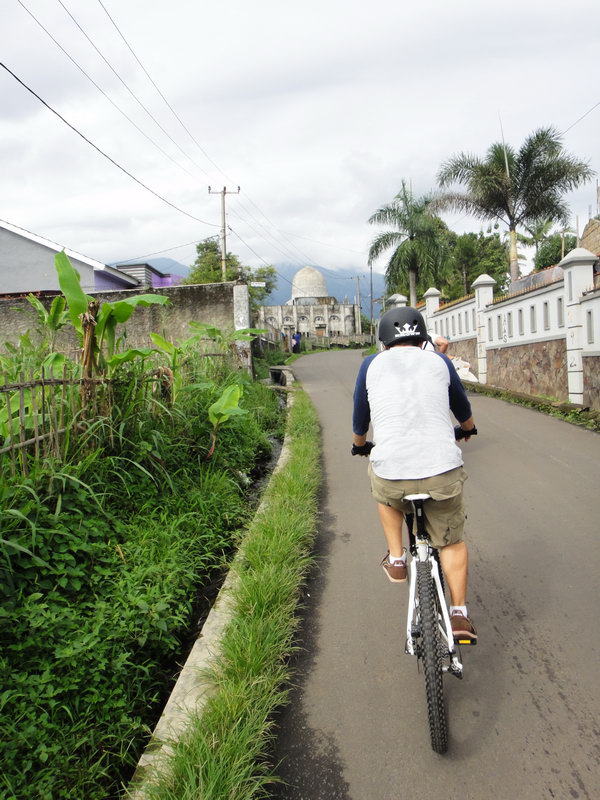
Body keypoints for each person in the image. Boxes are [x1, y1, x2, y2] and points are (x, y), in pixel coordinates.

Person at [351, 306, 478, 641]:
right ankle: (460, 614)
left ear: (384, 340)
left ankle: (396, 557)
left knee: (381, 487)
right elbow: (462, 409)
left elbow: (360, 418)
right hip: (442, 472)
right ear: (422, 336)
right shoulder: (440, 361)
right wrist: (469, 429)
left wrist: (359, 444)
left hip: (393, 473)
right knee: (451, 542)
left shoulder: (370, 365)